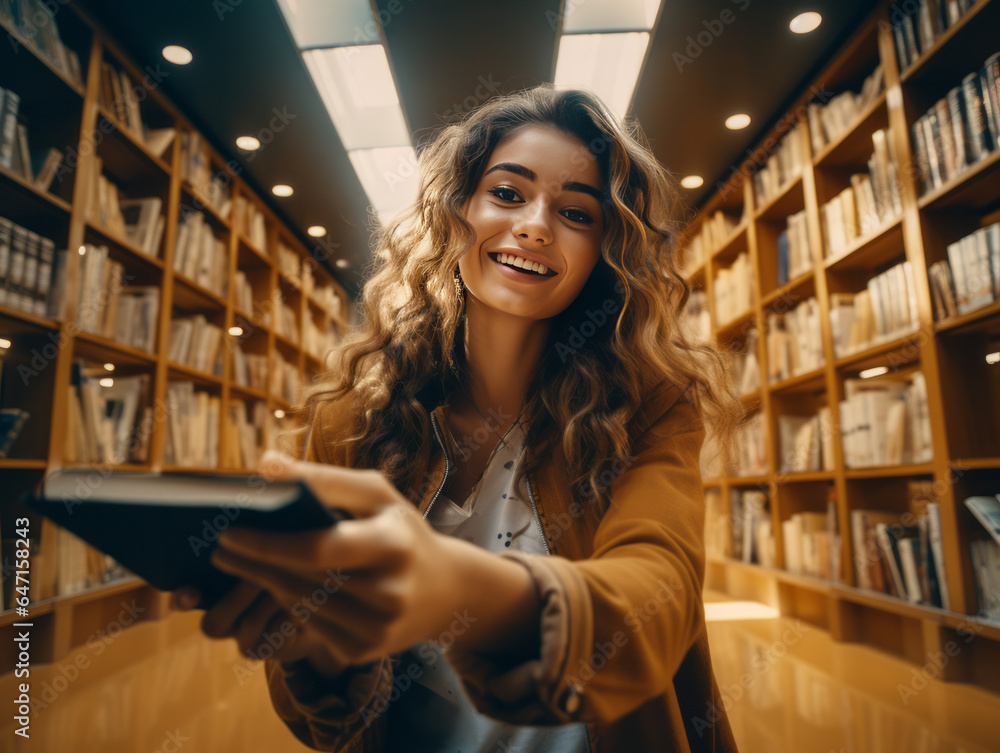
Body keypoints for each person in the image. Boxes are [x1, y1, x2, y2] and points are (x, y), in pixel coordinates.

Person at [172, 85, 742, 752]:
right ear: (455, 212)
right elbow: (319, 725)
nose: (534, 224)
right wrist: (315, 648)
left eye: (577, 213)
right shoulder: (348, 422)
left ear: (603, 255)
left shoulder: (649, 403)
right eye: (507, 193)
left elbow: (659, 595)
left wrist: (453, 591)